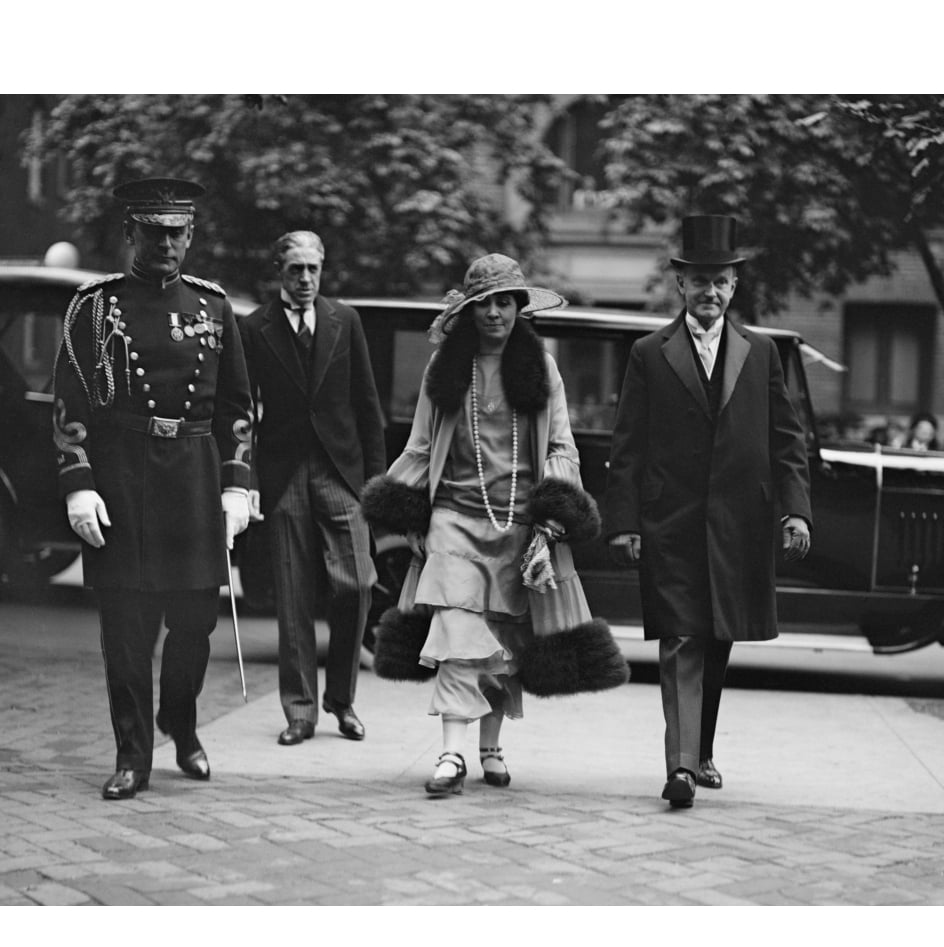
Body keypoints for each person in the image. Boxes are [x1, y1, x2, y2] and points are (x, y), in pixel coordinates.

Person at [361, 253, 628, 796]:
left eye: (505, 302)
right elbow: (418, 446)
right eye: (485, 304)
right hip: (453, 521)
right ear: (469, 310)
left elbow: (560, 446)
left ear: (519, 308)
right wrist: (409, 510)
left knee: (504, 640)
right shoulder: (445, 368)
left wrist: (552, 523)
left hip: (519, 527)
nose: (495, 314)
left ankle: (490, 745)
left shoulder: (542, 369)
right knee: (458, 633)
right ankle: (452, 755)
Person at [53, 177, 253, 800]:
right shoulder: (95, 307)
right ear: (132, 233)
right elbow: (69, 401)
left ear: (190, 236)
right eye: (155, 232)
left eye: (178, 233)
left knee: (194, 624)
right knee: (127, 630)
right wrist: (78, 483)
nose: (167, 244)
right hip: (123, 475)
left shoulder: (213, 308)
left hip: (193, 476)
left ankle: (183, 725)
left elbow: (239, 409)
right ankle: (133, 754)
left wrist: (237, 486)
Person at [604, 215, 812, 809]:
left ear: (733, 287)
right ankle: (680, 769)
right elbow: (629, 445)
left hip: (739, 525)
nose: (711, 293)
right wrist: (623, 522)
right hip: (670, 524)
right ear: (681, 284)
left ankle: (702, 750)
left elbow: (785, 440)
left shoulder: (762, 352)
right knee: (682, 640)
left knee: (718, 637)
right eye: (700, 281)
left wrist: (795, 512)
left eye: (721, 282)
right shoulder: (649, 353)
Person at [238, 232, 385, 746]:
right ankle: (299, 712)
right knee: (293, 597)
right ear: (278, 270)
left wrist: (376, 485)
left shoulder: (347, 321)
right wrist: (247, 481)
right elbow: (242, 414)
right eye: (295, 269)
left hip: (340, 472)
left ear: (323, 270)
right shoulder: (254, 327)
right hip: (282, 476)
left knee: (358, 583)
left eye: (313, 269)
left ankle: (341, 700)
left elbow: (368, 407)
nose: (304, 279)